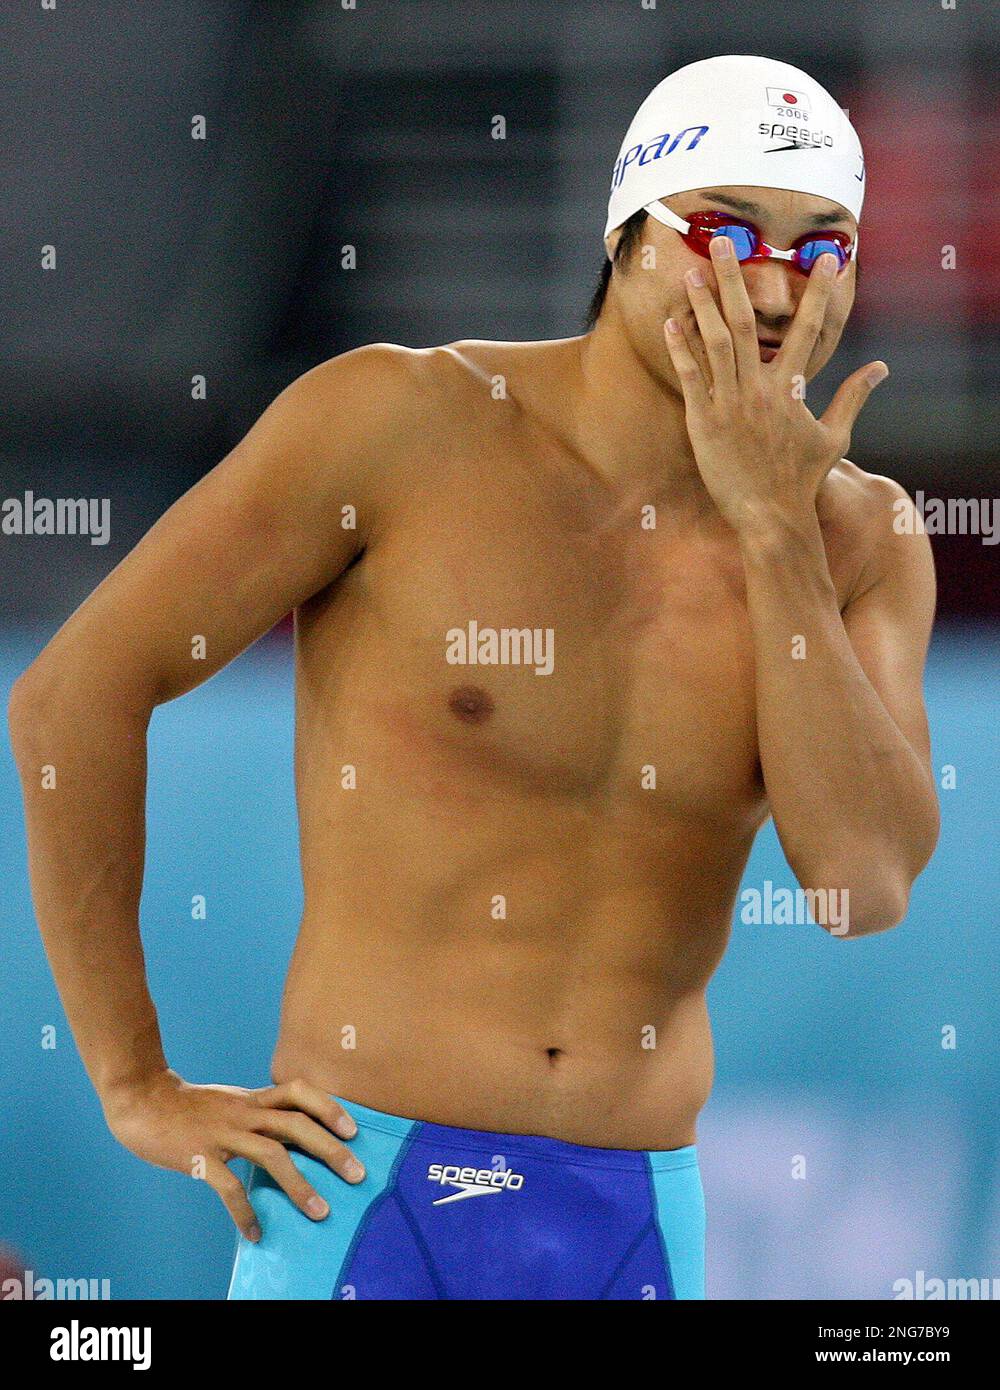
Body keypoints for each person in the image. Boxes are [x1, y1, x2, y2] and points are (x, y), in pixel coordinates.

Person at [9, 54, 939, 1300]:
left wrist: (772, 531)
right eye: (726, 231)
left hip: (634, 1220)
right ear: (625, 233)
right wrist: (136, 1083)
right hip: (365, 1194)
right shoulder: (398, 426)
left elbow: (861, 884)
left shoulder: (856, 540)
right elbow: (73, 695)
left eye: (822, 245)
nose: (774, 286)